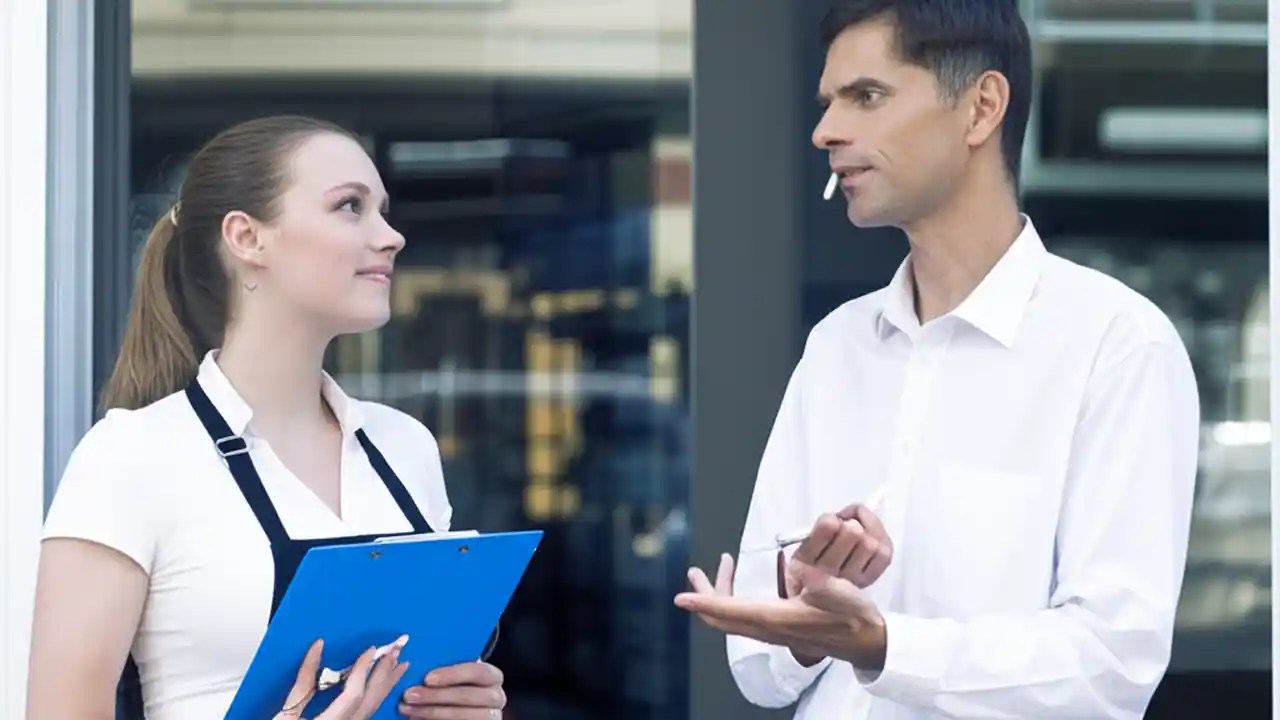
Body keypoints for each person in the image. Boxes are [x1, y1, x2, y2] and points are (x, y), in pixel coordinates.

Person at [675, 1, 1200, 719]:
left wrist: (883, 644)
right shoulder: (838, 347)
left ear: (981, 107)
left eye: (866, 96)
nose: (826, 130)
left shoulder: (1115, 344)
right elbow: (761, 673)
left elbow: (1110, 665)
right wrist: (801, 623)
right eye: (829, 102)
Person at [27, 115, 509, 720]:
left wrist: (462, 706)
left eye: (383, 210)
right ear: (247, 237)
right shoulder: (131, 457)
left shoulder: (404, 446)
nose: (391, 237)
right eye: (350, 207)